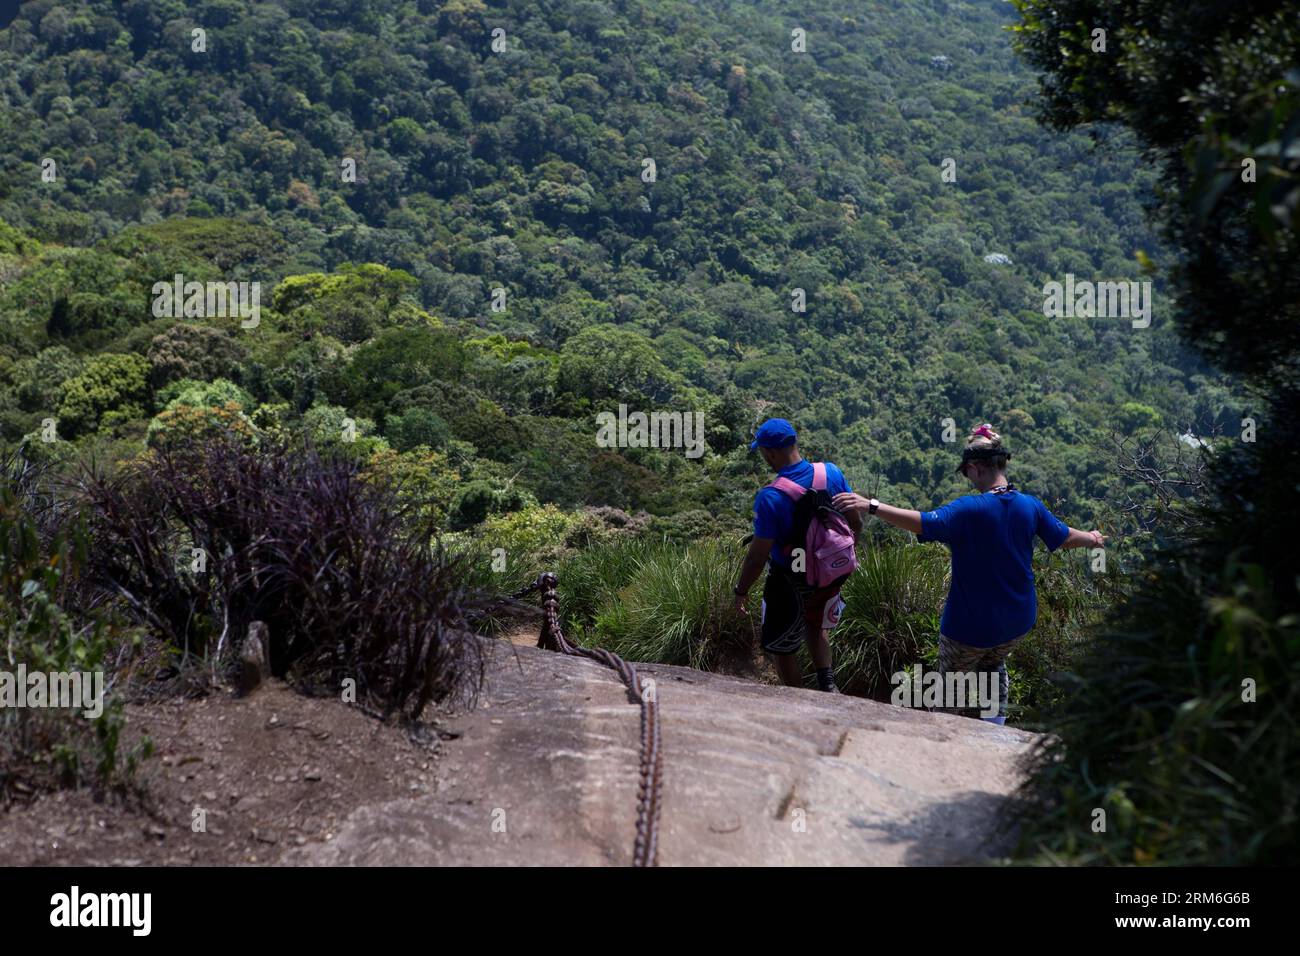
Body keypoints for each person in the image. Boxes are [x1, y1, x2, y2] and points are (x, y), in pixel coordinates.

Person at [832, 424, 1105, 724]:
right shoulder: (1030, 506)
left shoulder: (969, 509)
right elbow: (1065, 537)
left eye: (966, 473)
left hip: (969, 628)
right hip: (1017, 623)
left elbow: (922, 522)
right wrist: (1092, 538)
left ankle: (945, 734)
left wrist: (870, 505)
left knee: (950, 684)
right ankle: (996, 728)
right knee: (993, 661)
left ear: (975, 469)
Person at [732, 419, 862, 692]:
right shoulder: (831, 473)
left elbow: (757, 558)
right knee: (816, 626)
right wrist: (840, 559)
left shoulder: (770, 497)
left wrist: (741, 590)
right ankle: (827, 684)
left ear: (770, 452)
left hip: (790, 580)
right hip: (831, 574)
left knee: (783, 646)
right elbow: (855, 522)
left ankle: (797, 697)